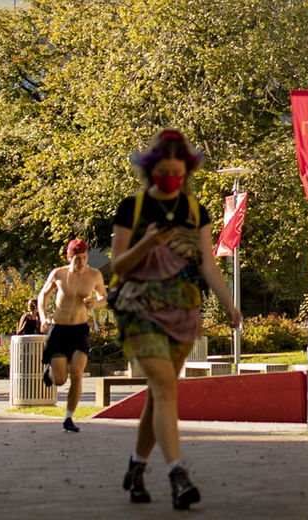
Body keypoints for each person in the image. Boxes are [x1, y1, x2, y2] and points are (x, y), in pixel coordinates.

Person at [106, 130, 240, 510]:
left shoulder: (195, 210)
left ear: (186, 172)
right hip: (138, 309)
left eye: (177, 173)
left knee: (158, 394)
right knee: (165, 386)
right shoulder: (130, 208)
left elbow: (208, 262)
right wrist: (147, 242)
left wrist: (229, 303)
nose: (170, 178)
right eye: (163, 171)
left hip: (183, 310)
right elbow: (117, 266)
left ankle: (136, 468)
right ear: (151, 172)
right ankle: (178, 474)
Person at [37, 238, 106, 432]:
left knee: (77, 374)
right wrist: (43, 318)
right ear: (69, 257)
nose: (81, 262)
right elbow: (43, 295)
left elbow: (103, 297)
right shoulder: (58, 274)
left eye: (84, 258)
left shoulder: (94, 275)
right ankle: (51, 371)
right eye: (76, 259)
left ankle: (68, 418)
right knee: (60, 380)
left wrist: (96, 303)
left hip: (79, 330)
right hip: (59, 329)